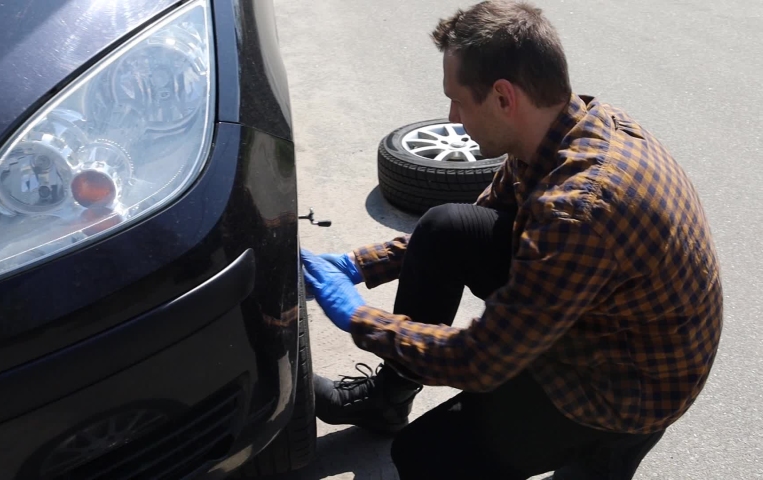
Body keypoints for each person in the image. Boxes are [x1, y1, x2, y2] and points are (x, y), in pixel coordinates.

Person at [301, 1, 723, 478]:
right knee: (446, 228)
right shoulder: (561, 127)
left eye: (459, 100)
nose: (453, 117)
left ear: (504, 98)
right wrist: (359, 264)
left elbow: (480, 360)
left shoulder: (578, 210)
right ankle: (388, 402)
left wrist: (360, 318)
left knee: (423, 458)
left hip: (626, 387)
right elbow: (481, 218)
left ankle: (603, 451)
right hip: (604, 314)